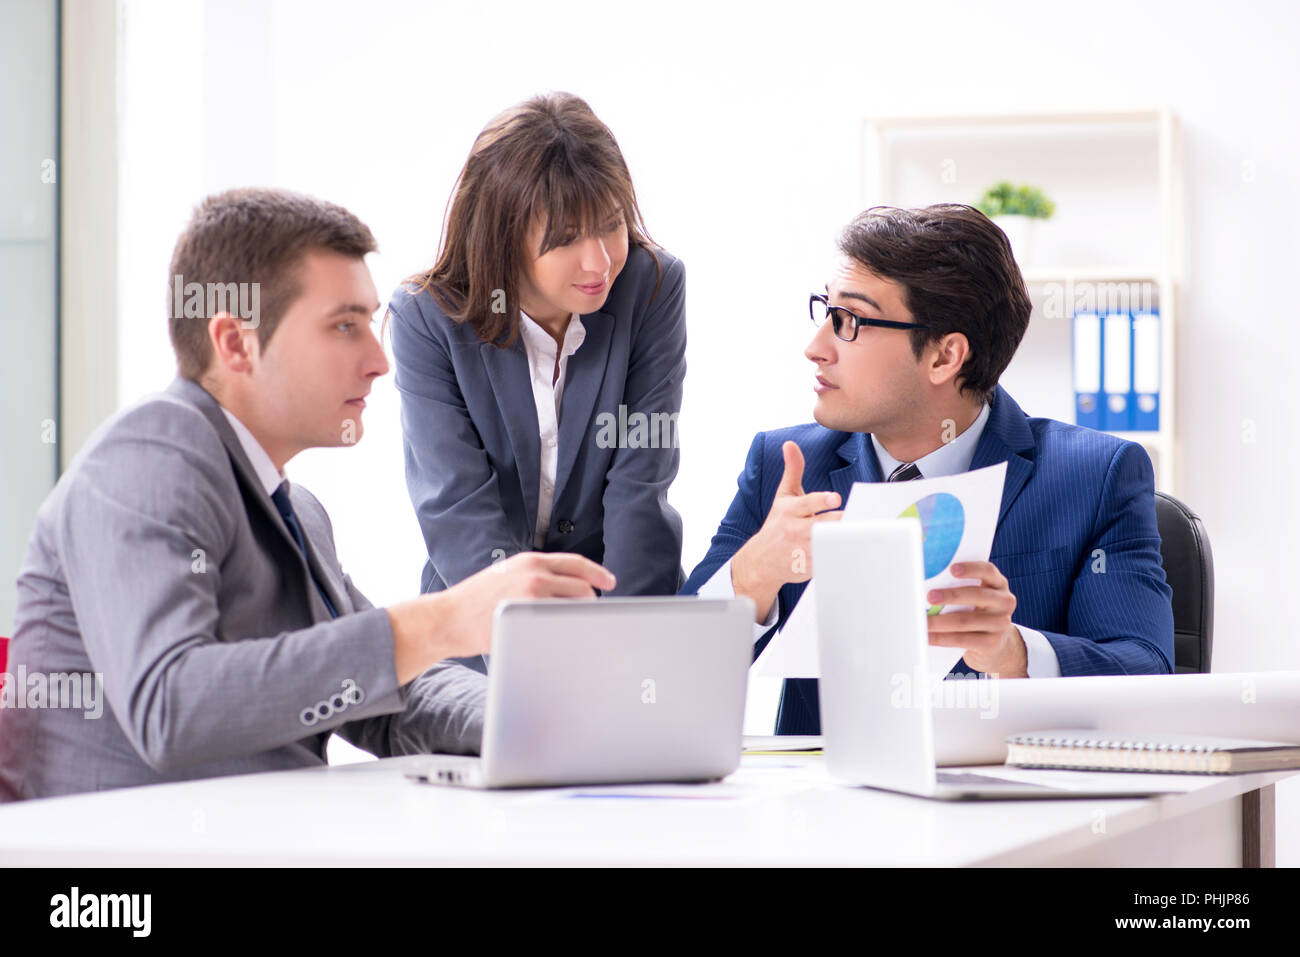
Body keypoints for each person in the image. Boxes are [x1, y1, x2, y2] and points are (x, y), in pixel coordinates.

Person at [0, 188, 613, 801]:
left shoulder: (300, 511)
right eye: (344, 326)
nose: (379, 360)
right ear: (235, 343)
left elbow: (385, 696)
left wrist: (555, 722)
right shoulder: (147, 457)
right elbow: (171, 705)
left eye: (371, 324)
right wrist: (443, 619)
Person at [683, 204, 1174, 735]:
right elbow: (669, 679)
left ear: (945, 357)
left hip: (1008, 805)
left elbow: (1145, 675)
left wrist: (1016, 654)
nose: (815, 348)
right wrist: (751, 577)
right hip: (825, 807)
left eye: (848, 321)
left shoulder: (1095, 477)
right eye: (824, 310)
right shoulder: (788, 470)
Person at [387, 92, 686, 649]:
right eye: (567, 238)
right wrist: (539, 656)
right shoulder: (428, 318)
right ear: (504, 237)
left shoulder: (650, 286)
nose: (598, 261)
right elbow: (457, 510)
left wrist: (623, 652)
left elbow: (640, 487)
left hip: (627, 612)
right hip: (483, 633)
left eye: (612, 225)